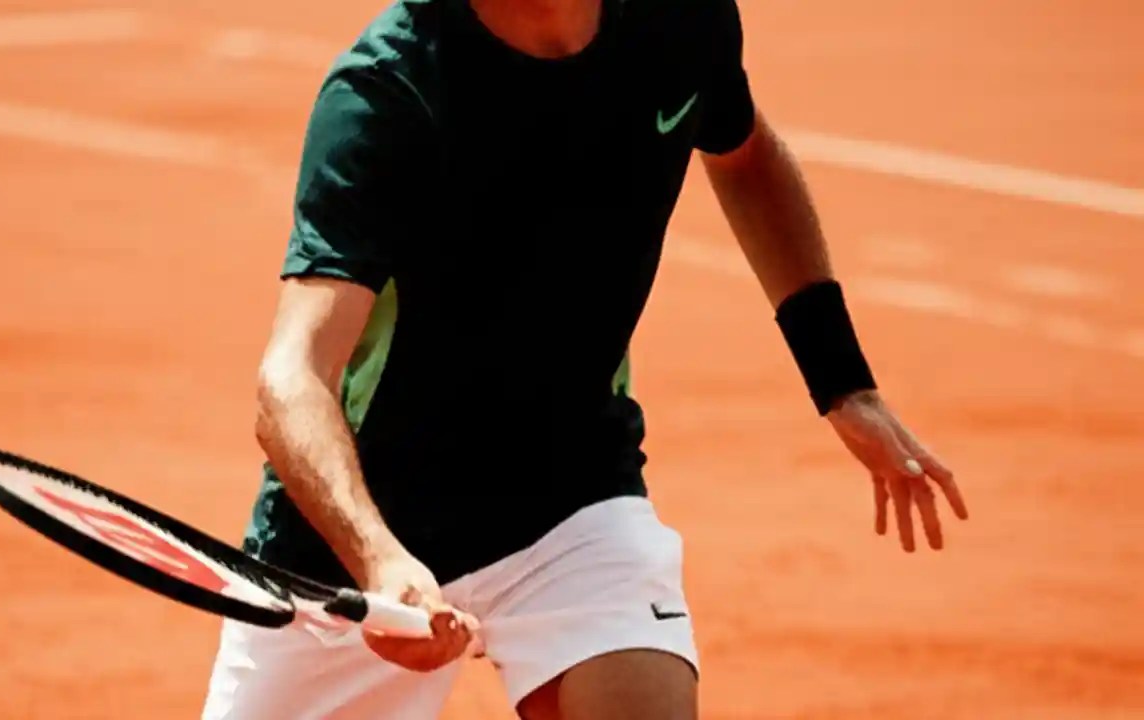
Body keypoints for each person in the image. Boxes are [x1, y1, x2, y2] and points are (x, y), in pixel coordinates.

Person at [202, 0, 970, 717]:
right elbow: (292, 376)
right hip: (358, 538)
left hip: (569, 503)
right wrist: (378, 559)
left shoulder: (678, 19)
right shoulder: (388, 91)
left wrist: (842, 382)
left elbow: (744, 153)